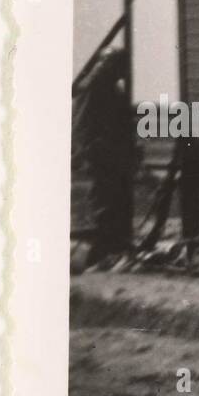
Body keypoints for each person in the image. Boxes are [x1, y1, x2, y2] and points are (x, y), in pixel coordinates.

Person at [72, 47, 137, 259]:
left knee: (113, 201)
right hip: (101, 155)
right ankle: (99, 252)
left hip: (112, 155)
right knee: (104, 202)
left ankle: (112, 248)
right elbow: (82, 125)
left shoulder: (109, 87)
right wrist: (90, 152)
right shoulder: (94, 87)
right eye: (120, 65)